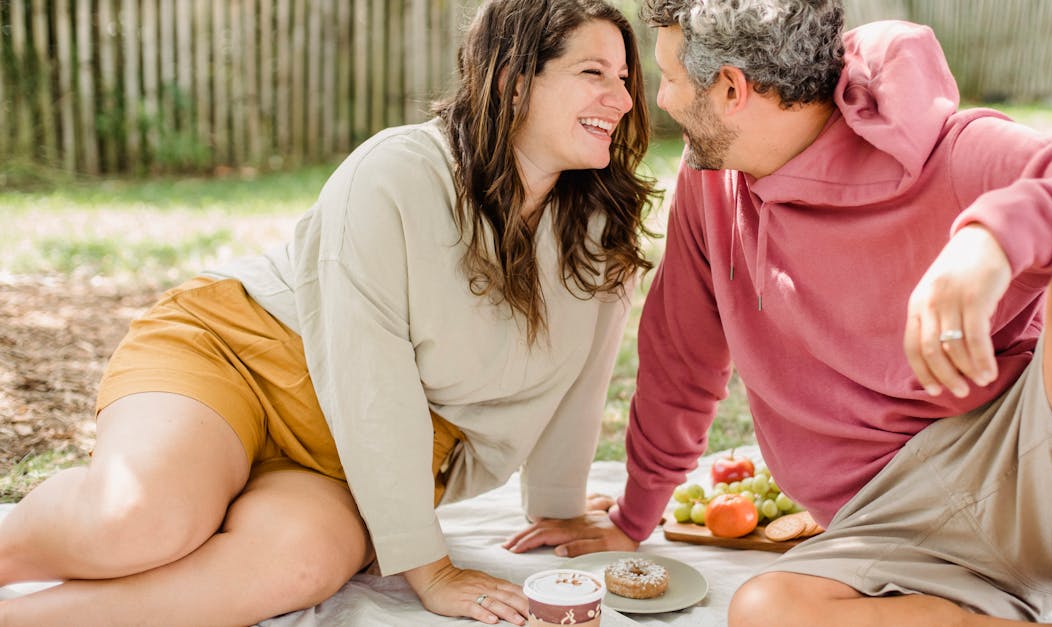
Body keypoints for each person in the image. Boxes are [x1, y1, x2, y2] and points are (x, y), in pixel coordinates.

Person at [504, 1, 1052, 624]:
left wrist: (992, 236)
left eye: (672, 78)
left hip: (1033, 467)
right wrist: (633, 517)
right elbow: (679, 357)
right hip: (885, 532)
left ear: (732, 89)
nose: (660, 100)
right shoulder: (709, 185)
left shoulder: (950, 151)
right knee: (765, 612)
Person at [0, 0, 656, 624]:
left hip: (352, 455)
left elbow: (581, 379)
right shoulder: (395, 174)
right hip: (241, 355)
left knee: (300, 564)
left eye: (625, 78)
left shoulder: (600, 232)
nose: (623, 100)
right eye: (592, 73)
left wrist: (558, 508)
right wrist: (429, 568)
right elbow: (368, 375)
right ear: (513, 82)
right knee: (142, 521)